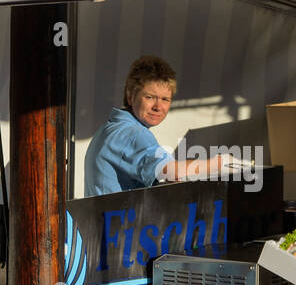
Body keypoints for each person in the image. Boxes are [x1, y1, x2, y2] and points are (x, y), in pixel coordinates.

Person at [84, 56, 225, 197]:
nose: (158, 107)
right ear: (130, 97)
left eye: (165, 99)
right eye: (150, 97)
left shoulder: (108, 129)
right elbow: (173, 171)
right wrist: (220, 163)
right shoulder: (133, 134)